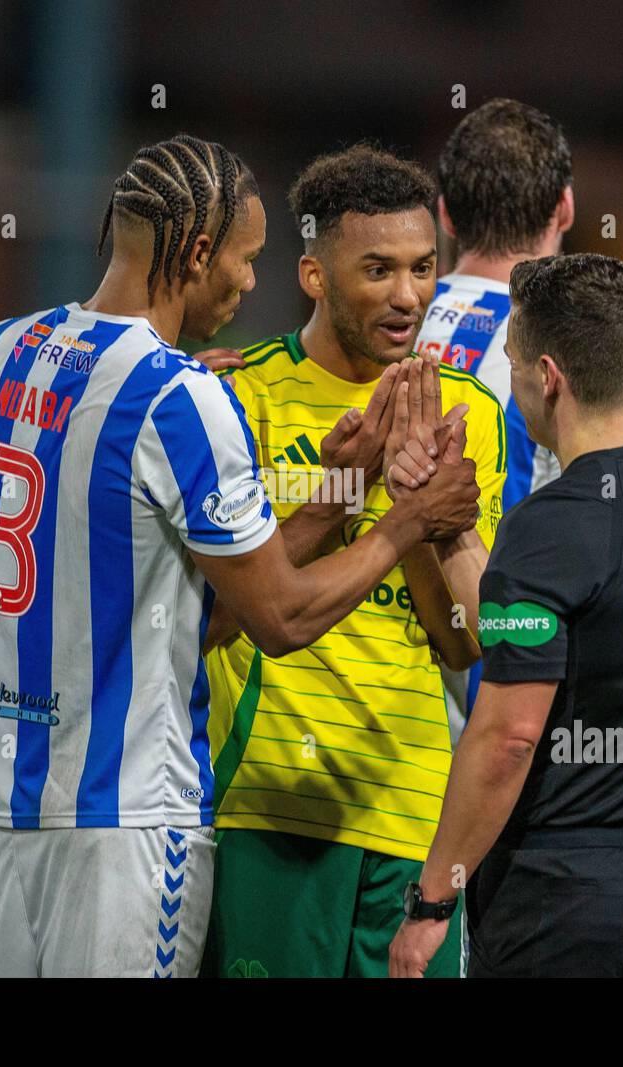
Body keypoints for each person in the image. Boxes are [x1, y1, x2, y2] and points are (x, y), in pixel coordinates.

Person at [0, 134, 480, 978]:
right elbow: (279, 615)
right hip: (129, 816)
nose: (249, 282)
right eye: (246, 259)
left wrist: (335, 493)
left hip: (2, 806)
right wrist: (403, 522)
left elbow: (9, 534)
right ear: (197, 253)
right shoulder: (183, 395)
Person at [202, 145, 506, 978]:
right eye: (377, 269)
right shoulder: (240, 398)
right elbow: (217, 619)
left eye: (421, 268)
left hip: (412, 809)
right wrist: (348, 488)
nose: (407, 296)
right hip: (271, 802)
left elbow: (464, 644)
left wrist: (421, 514)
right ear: (313, 275)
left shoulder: (468, 414)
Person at [389, 253, 623, 978]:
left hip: (561, 903)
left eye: (510, 361)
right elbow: (524, 632)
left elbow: (509, 735)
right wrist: (450, 527)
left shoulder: (552, 525)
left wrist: (433, 899)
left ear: (548, 377)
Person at [416, 97, 574, 742]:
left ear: (445, 214)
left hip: (362, 703)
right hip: (494, 715)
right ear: (564, 207)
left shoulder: (374, 326)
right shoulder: (563, 352)